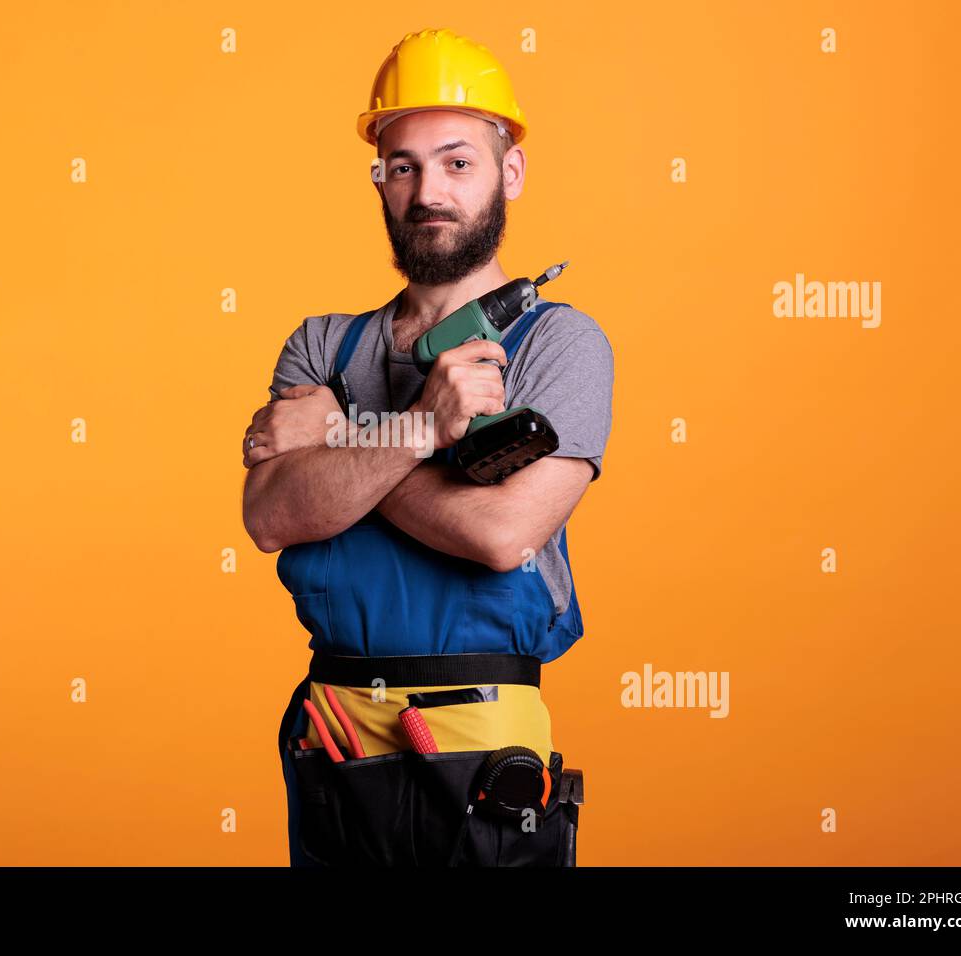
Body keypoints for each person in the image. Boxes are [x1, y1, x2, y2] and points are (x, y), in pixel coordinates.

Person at [241, 28, 614, 866]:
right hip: (334, 728)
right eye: (402, 165)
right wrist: (418, 431)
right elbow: (270, 515)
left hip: (481, 731)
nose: (426, 191)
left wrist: (338, 436)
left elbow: (501, 535)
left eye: (456, 162)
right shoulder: (323, 345)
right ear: (379, 179)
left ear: (508, 172)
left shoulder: (562, 345)